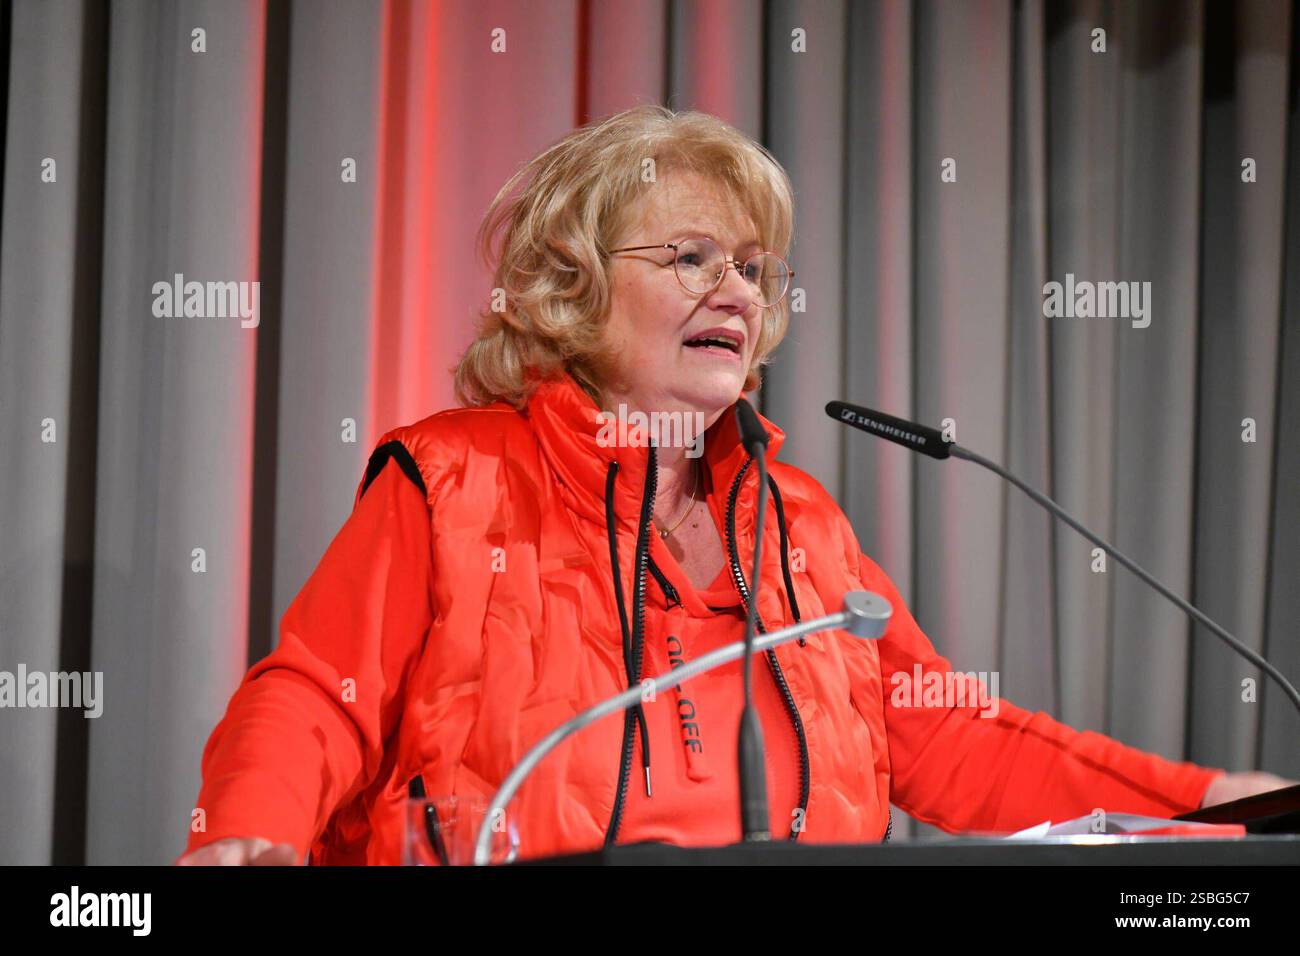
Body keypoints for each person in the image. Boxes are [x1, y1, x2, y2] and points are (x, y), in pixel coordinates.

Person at [179, 105, 1289, 865]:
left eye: (755, 268)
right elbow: (314, 692)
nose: (737, 290)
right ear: (571, 286)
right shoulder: (455, 475)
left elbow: (947, 734)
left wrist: (1202, 806)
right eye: (692, 256)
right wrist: (245, 833)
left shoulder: (798, 520)